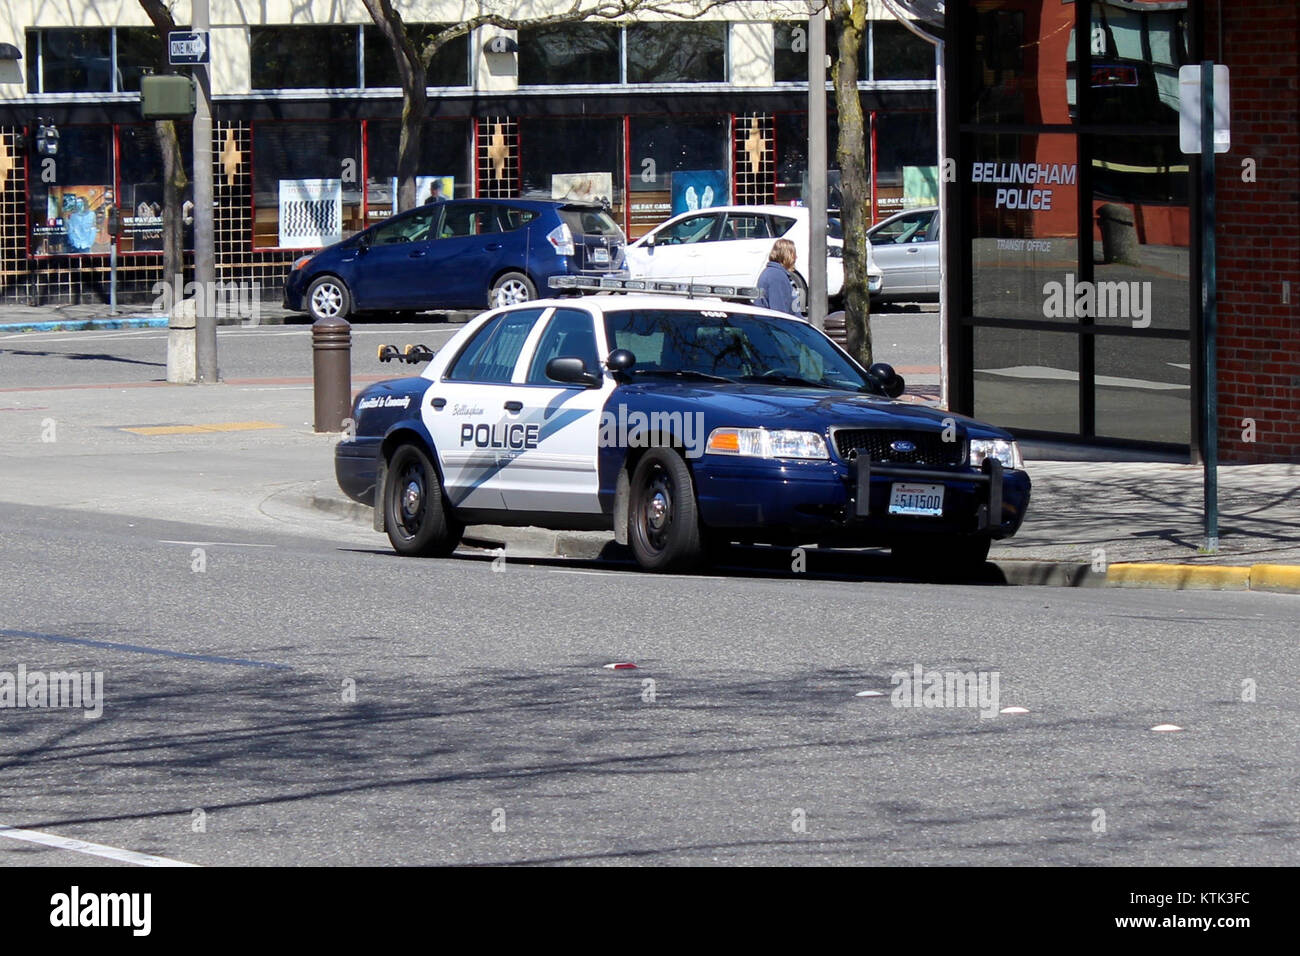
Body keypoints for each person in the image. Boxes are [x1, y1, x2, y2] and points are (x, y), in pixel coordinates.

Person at [755, 238, 798, 315]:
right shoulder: (776, 277)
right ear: (787, 256)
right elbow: (779, 313)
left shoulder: (772, 273)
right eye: (794, 254)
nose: (796, 258)